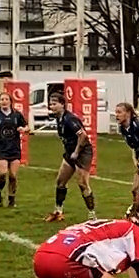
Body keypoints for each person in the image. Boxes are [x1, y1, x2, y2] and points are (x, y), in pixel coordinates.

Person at [43, 94, 97, 223]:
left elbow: (83, 135)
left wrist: (77, 151)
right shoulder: (59, 118)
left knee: (82, 183)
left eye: (55, 104)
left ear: (62, 104)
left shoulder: (69, 119)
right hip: (70, 152)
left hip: (82, 152)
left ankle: (92, 214)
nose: (52, 107)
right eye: (51, 104)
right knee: (60, 181)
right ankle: (58, 212)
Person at [0, 92, 29, 208]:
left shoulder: (17, 115)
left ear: (10, 101)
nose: (3, 101)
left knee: (13, 175)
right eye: (1, 99)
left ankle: (11, 198)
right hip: (0, 149)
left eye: (6, 99)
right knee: (2, 174)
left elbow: (27, 127)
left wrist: (23, 129)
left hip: (14, 149)